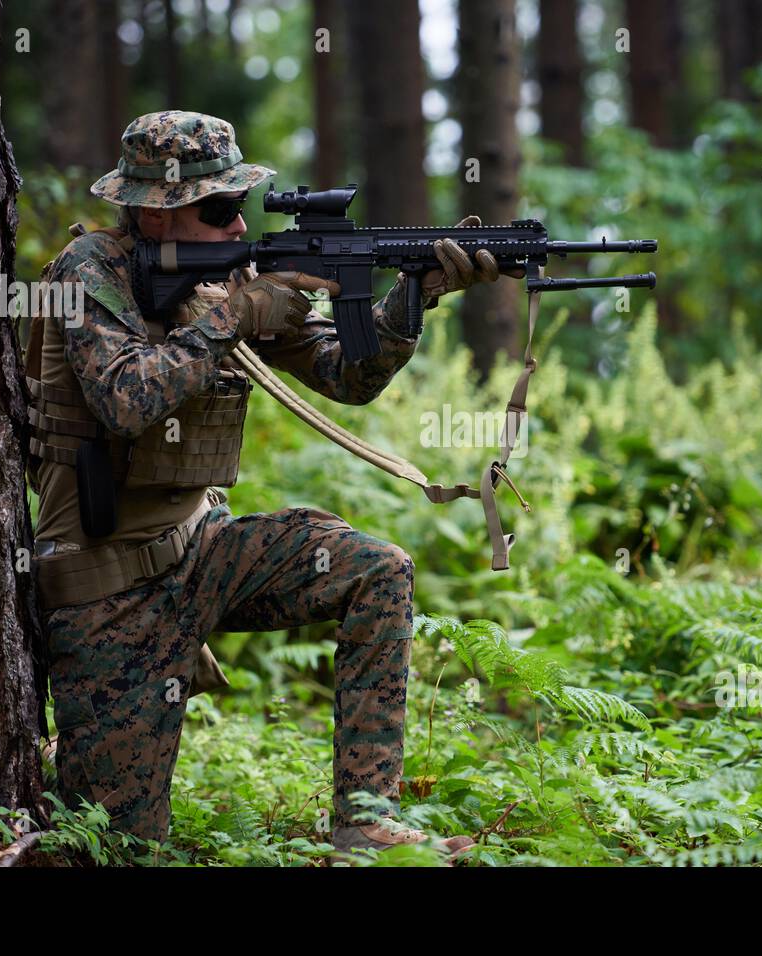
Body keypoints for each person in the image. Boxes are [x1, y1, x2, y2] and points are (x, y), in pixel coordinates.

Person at [26, 110, 511, 861]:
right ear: (155, 211)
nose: (234, 227)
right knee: (118, 850)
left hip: (202, 551)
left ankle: (364, 819)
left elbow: (346, 375)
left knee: (376, 569)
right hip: (107, 592)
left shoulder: (230, 276)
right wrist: (236, 317)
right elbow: (125, 400)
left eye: (239, 208)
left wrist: (410, 296)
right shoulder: (88, 272)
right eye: (217, 211)